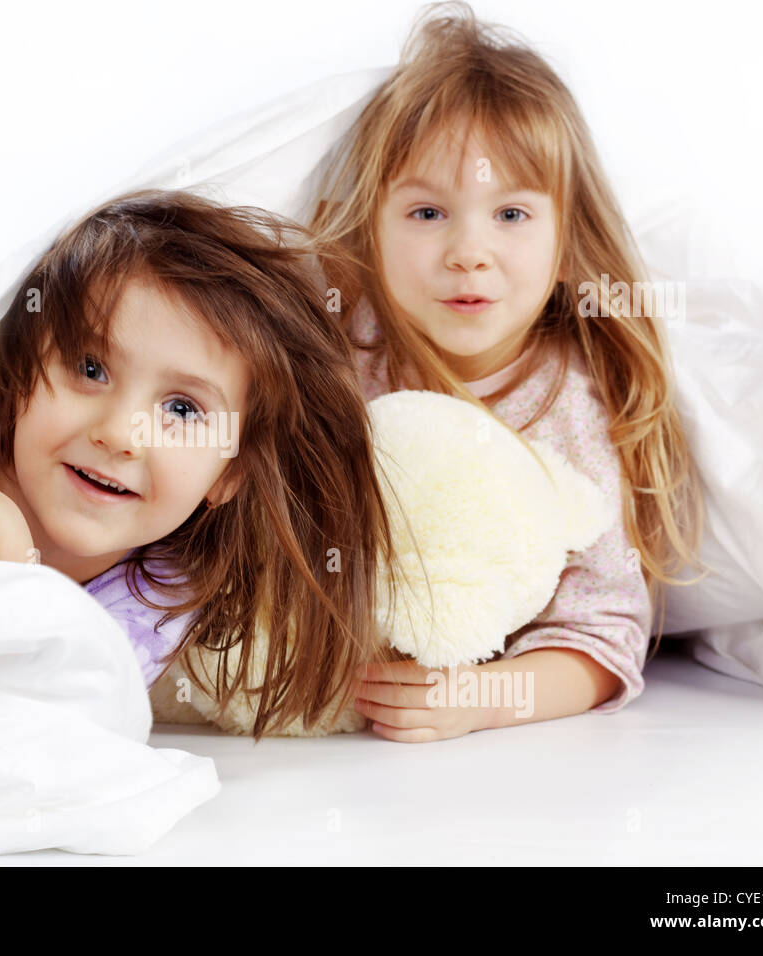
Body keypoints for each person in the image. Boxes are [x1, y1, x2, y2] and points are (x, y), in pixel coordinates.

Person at [0, 188, 401, 740]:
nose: (120, 435)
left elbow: (45, 732)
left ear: (229, 474)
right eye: (91, 369)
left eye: (181, 408)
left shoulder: (158, 596)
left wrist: (4, 546)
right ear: (18, 370)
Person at [310, 2, 707, 741]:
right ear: (373, 227)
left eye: (512, 216)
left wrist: (483, 698)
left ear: (566, 238)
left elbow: (603, 632)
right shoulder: (339, 357)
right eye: (427, 213)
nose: (469, 251)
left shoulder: (571, 407)